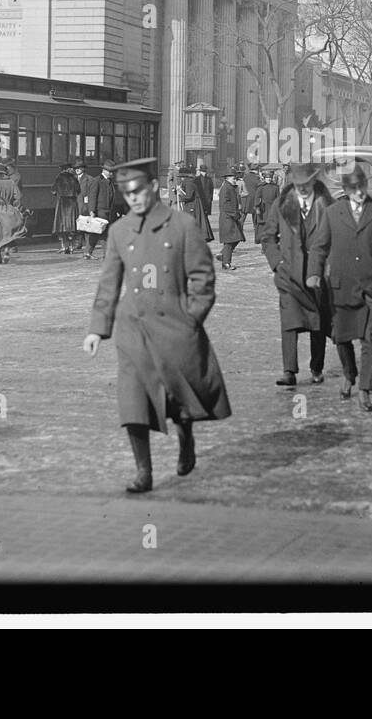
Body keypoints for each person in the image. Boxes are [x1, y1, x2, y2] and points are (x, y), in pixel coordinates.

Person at [83, 157, 231, 493]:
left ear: (152, 188)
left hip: (175, 328)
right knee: (133, 402)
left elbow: (202, 277)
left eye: (138, 190)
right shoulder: (120, 231)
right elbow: (109, 283)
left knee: (180, 400)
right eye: (126, 193)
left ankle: (186, 440)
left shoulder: (182, 226)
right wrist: (96, 328)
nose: (133, 198)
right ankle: (143, 472)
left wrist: (191, 316)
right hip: (132, 331)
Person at [316, 164, 372, 411]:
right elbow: (319, 248)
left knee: (369, 338)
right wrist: (315, 274)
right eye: (353, 188)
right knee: (341, 338)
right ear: (346, 190)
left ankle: (365, 389)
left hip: (371, 288)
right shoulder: (333, 213)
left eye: (362, 187)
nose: (359, 192)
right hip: (341, 288)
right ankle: (349, 373)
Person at [261, 161, 333, 388]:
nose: (302, 188)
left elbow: (338, 236)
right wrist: (277, 263)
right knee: (289, 322)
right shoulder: (281, 204)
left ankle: (316, 368)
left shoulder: (327, 205)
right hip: (288, 273)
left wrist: (330, 267)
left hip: (317, 273)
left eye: (306, 184)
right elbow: (268, 236)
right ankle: (289, 371)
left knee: (318, 323)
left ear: (314, 181)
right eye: (298, 184)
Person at [0, 161, 26, 264]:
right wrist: (16, 208)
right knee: (7, 232)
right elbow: (18, 197)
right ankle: (6, 251)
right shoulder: (11, 182)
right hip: (8, 209)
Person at [83, 159, 119, 259]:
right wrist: (91, 211)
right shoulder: (97, 181)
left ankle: (88, 253)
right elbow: (92, 197)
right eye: (111, 171)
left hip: (109, 211)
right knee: (104, 233)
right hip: (100, 211)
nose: (113, 173)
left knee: (97, 233)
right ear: (105, 171)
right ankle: (106, 255)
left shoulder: (110, 182)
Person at [175, 165, 214, 243]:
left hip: (193, 205)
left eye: (182, 177)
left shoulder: (189, 182)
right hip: (192, 204)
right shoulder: (189, 181)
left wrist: (180, 197)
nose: (181, 178)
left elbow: (188, 196)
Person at [216, 169, 245, 270]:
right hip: (228, 218)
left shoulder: (230, 187)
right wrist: (234, 214)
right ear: (227, 178)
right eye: (233, 178)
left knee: (235, 239)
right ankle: (226, 262)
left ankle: (223, 256)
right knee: (230, 241)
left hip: (230, 218)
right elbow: (225, 205)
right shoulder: (226, 188)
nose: (235, 180)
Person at [51, 160, 82, 254]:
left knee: (61, 226)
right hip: (72, 203)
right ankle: (72, 247)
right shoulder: (73, 178)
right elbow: (78, 190)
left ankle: (64, 247)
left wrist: (59, 194)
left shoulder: (59, 177)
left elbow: (53, 190)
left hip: (62, 204)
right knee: (72, 225)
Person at [253, 169, 280, 243]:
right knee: (263, 226)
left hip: (272, 209)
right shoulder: (261, 187)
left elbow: (278, 198)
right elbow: (257, 198)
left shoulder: (275, 187)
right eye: (267, 178)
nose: (269, 179)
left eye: (270, 178)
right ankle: (263, 243)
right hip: (263, 209)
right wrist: (257, 207)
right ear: (264, 178)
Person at [241, 160, 262, 238]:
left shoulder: (245, 177)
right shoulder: (257, 178)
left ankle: (240, 228)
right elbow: (260, 187)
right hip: (254, 199)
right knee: (255, 216)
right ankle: (256, 229)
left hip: (246, 199)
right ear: (257, 170)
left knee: (243, 215)